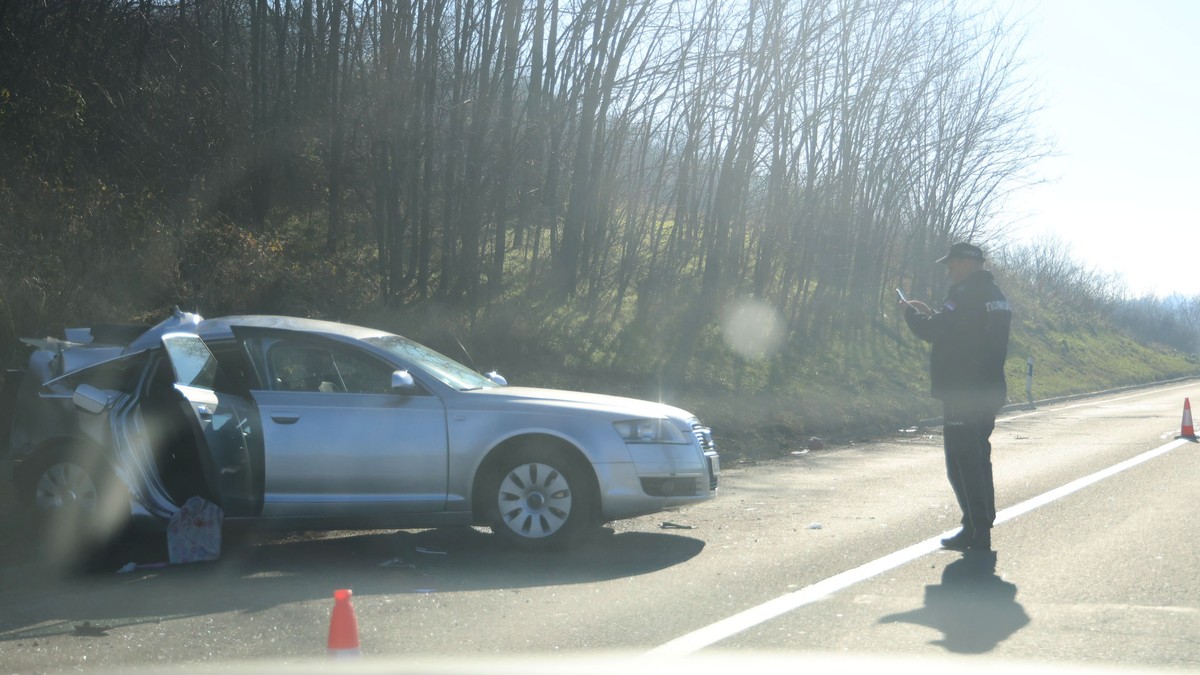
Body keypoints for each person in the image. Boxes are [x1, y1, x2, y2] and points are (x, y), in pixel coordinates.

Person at [900, 242, 1011, 551]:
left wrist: (910, 314)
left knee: (960, 461)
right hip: (989, 388)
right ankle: (980, 523)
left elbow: (937, 332)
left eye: (951, 263)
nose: (948, 270)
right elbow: (960, 330)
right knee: (978, 457)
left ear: (966, 263)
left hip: (963, 390)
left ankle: (975, 530)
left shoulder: (963, 295)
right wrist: (933, 314)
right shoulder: (997, 297)